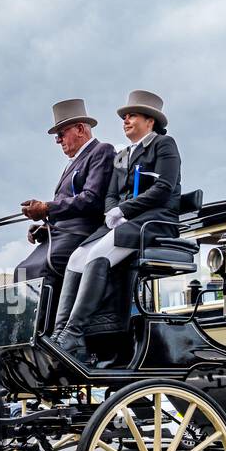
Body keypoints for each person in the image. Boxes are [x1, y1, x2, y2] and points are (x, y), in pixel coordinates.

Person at [52, 90, 181, 359]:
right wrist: (113, 211)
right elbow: (111, 193)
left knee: (98, 255)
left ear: (150, 121)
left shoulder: (164, 145)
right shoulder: (122, 156)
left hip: (154, 222)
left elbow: (164, 188)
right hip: (124, 223)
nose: (125, 120)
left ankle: (74, 333)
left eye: (132, 115)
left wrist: (125, 209)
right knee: (77, 257)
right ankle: (60, 331)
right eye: (124, 116)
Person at [15, 99, 115, 330]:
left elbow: (92, 199)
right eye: (56, 136)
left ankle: (45, 335)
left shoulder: (101, 151)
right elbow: (65, 206)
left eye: (61, 133)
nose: (58, 140)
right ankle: (22, 332)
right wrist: (44, 225)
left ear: (80, 129)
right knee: (21, 270)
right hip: (60, 234)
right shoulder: (73, 163)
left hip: (83, 234)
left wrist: (47, 208)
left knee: (41, 269)